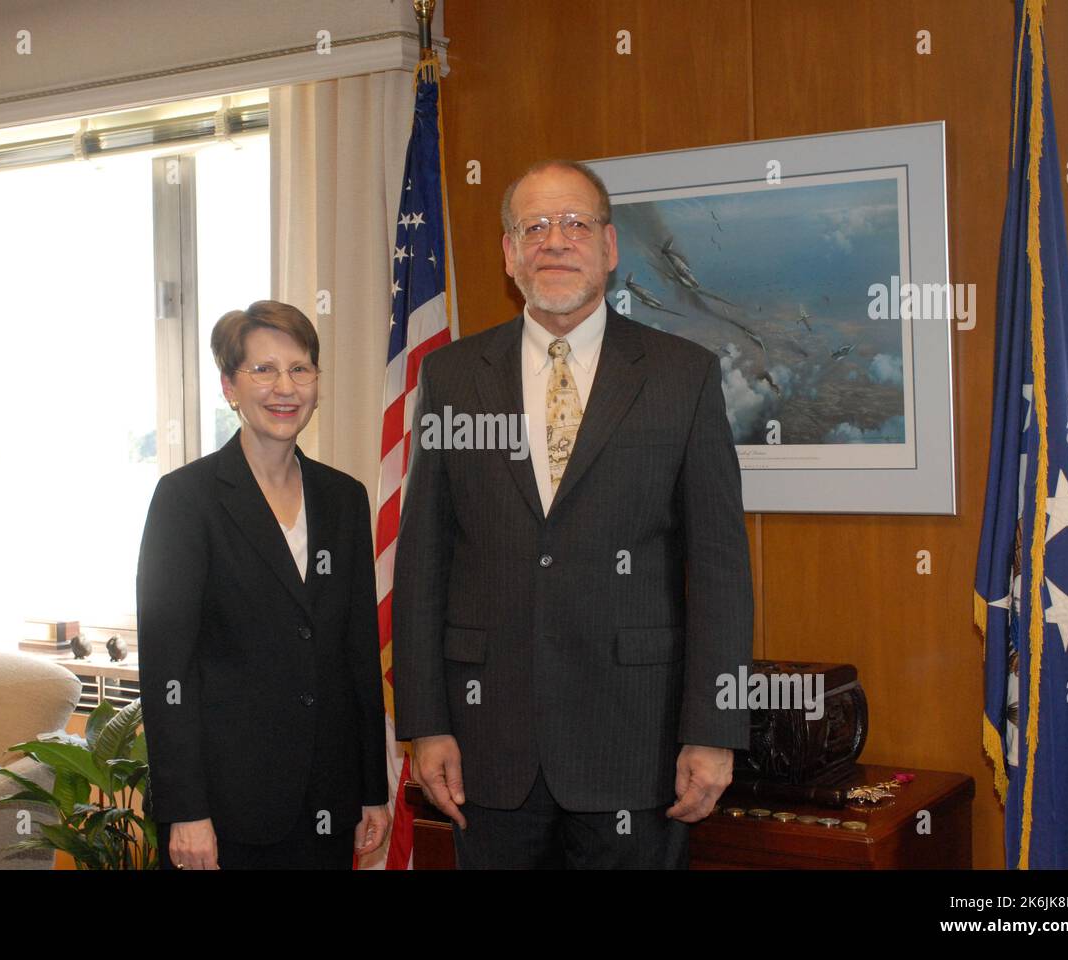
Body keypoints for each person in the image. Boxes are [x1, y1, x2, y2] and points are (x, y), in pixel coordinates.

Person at [393, 160, 754, 869]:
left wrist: (713, 730)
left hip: (637, 746)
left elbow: (719, 569)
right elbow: (423, 562)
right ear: (508, 253)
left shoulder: (683, 375)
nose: (553, 241)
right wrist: (425, 724)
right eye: (533, 226)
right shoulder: (454, 376)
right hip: (486, 750)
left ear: (610, 247)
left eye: (574, 224)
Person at [137, 300, 389, 869]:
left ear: (317, 384)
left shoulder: (344, 499)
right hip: (225, 812)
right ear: (229, 386)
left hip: (327, 802)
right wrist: (186, 811)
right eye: (264, 370)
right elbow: (166, 669)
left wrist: (373, 787)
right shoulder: (185, 500)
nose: (285, 387)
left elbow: (358, 655)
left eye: (300, 369)